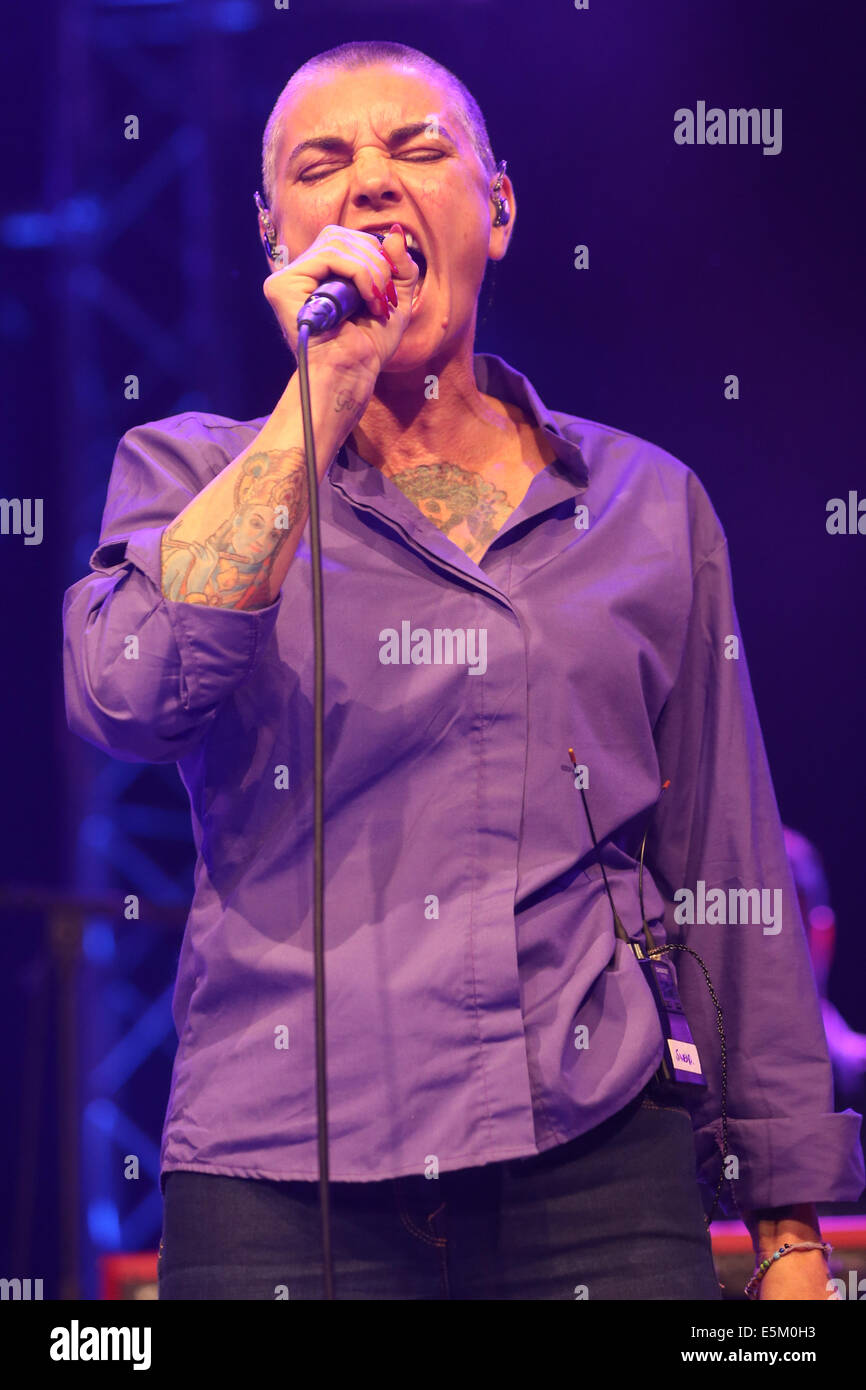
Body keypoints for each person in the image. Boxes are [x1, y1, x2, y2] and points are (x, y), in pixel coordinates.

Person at [62, 40, 864, 1301]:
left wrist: (787, 1225)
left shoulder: (645, 504)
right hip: (286, 1175)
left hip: (593, 1162)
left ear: (495, 206)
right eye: (321, 166)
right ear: (276, 237)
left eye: (416, 149)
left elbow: (726, 862)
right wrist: (319, 394)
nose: (370, 185)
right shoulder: (189, 473)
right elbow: (130, 692)